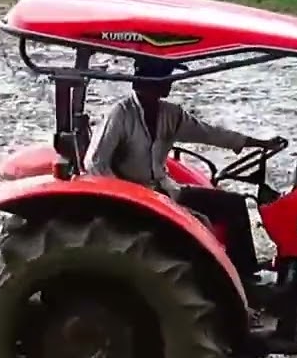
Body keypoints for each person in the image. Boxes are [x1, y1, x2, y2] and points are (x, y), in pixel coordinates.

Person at [83, 57, 285, 280]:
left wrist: (258, 143)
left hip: (167, 190)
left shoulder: (171, 114)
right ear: (149, 80)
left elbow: (209, 133)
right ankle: (209, 282)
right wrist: (128, 199)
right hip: (139, 199)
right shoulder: (120, 114)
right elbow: (95, 162)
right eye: (166, 76)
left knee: (235, 205)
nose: (171, 82)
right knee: (200, 224)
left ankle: (244, 274)